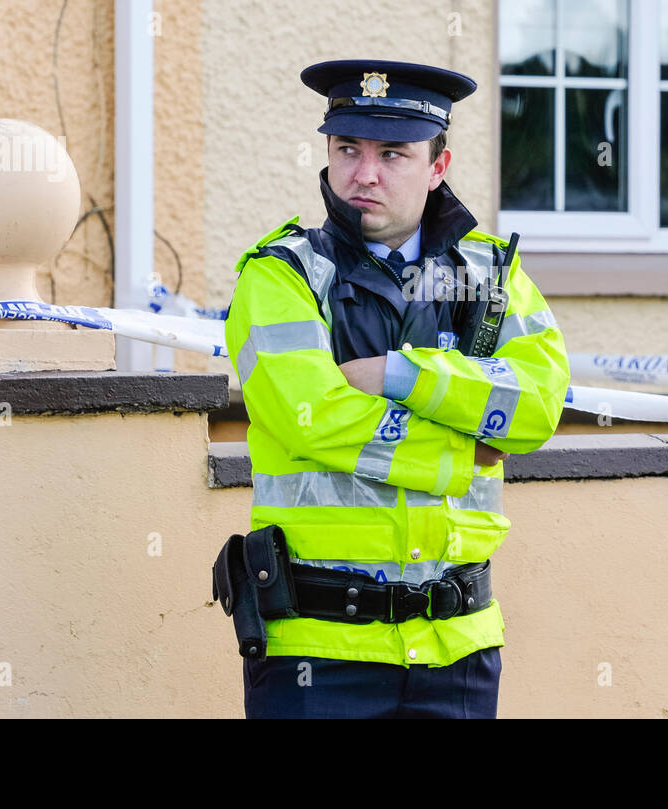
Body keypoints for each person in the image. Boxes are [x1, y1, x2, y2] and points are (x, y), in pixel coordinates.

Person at [222, 59, 569, 718]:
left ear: (438, 166)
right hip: (319, 651)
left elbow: (537, 405)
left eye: (394, 154)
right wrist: (463, 451)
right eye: (348, 148)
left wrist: (401, 375)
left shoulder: (491, 276)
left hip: (457, 648)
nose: (364, 173)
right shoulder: (281, 277)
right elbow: (313, 416)